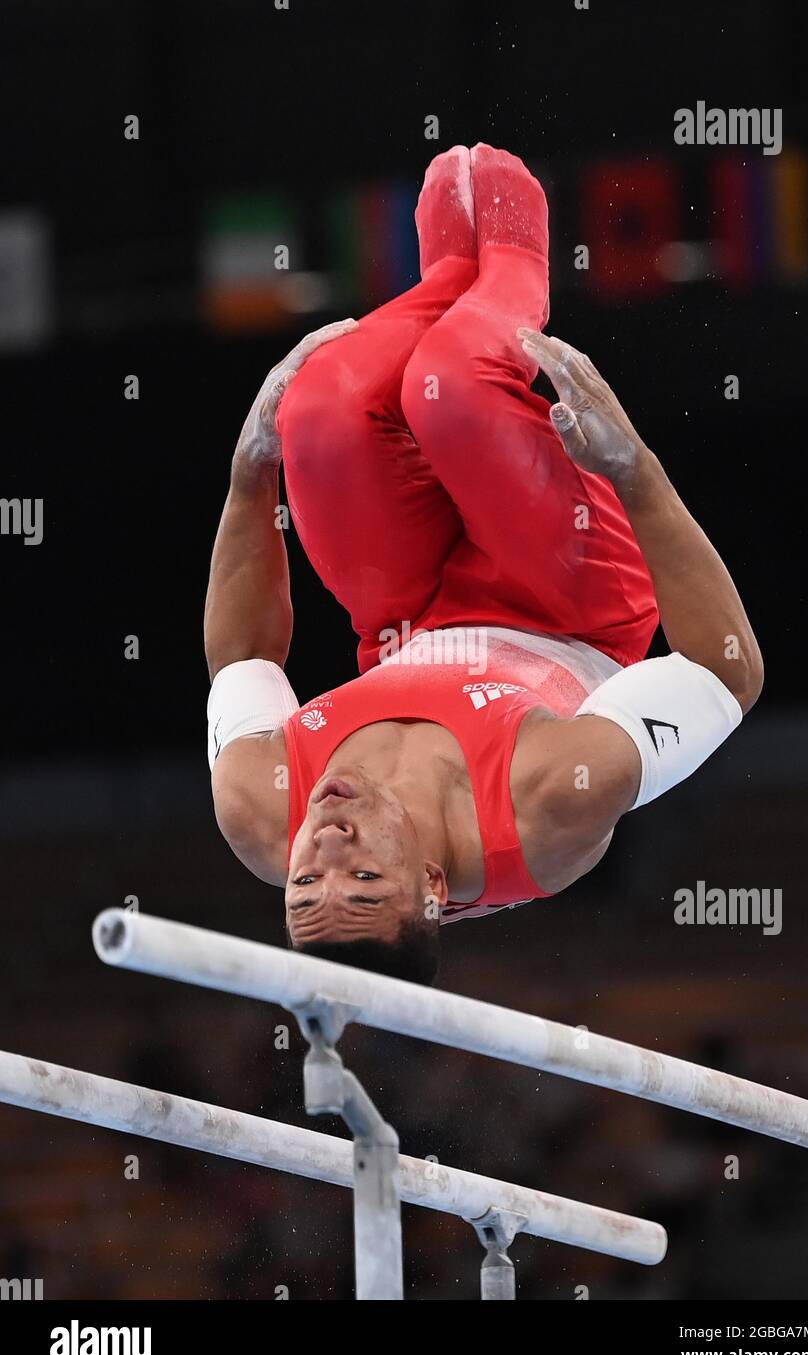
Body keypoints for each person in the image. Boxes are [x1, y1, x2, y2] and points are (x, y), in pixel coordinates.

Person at [204, 145, 762, 985]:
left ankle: (449, 273)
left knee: (315, 410)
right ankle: (509, 250)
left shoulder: (261, 807)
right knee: (453, 385)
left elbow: (243, 658)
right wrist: (634, 469)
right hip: (568, 600)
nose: (325, 846)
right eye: (363, 880)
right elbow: (726, 672)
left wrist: (250, 474)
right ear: (433, 886)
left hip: (404, 608)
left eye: (305, 885)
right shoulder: (548, 804)